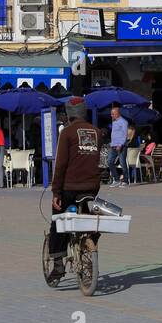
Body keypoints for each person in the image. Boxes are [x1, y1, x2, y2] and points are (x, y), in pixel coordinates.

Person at [47, 97, 102, 286]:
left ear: (69, 114)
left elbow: (61, 164)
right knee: (88, 218)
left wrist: (56, 192)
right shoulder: (97, 132)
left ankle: (58, 264)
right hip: (92, 187)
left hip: (70, 187)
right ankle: (89, 246)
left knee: (58, 220)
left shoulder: (67, 132)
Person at [107, 104, 129, 188]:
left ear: (118, 113)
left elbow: (124, 135)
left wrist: (120, 144)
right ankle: (116, 179)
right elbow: (115, 134)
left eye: (113, 114)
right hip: (113, 145)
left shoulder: (123, 122)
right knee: (109, 162)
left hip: (121, 146)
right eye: (111, 114)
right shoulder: (114, 122)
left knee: (123, 163)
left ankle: (125, 181)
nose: (111, 115)